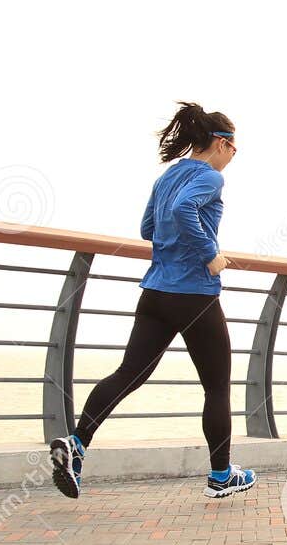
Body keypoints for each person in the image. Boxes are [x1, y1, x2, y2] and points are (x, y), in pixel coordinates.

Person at [48, 102, 256, 500]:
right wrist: (210, 254)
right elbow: (183, 211)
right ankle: (221, 475)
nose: (233, 156)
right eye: (234, 148)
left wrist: (180, 244)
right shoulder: (210, 178)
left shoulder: (168, 176)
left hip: (155, 292)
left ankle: (77, 444)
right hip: (194, 296)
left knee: (128, 373)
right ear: (220, 143)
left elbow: (148, 227)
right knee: (217, 388)